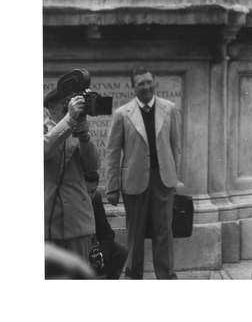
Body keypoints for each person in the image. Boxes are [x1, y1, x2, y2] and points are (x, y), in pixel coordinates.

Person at [105, 66, 181, 279]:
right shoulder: (122, 114)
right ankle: (133, 277)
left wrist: (174, 178)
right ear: (133, 87)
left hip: (163, 181)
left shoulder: (169, 108)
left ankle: (166, 277)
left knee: (164, 233)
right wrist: (112, 188)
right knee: (135, 234)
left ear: (154, 82)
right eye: (141, 83)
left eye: (149, 82)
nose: (146, 87)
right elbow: (112, 153)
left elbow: (175, 146)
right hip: (134, 182)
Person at [44, 88, 100, 263]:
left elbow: (92, 166)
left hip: (77, 220)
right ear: (51, 108)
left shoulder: (75, 129)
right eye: (66, 104)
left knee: (78, 274)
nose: (72, 108)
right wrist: (69, 120)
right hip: (49, 219)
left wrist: (84, 137)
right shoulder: (44, 130)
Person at [84, 171, 129, 280]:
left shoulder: (96, 198)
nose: (89, 196)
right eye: (86, 191)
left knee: (121, 251)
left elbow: (106, 233)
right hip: (75, 248)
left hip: (91, 248)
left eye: (92, 191)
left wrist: (101, 256)